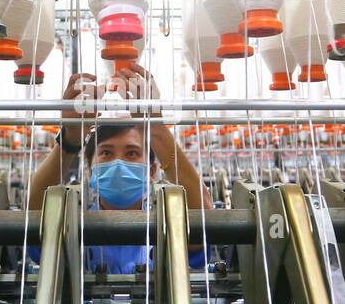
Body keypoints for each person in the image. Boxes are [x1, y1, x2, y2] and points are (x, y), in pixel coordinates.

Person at [26, 63, 211, 274]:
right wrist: (71, 138)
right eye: (106, 153)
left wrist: (157, 128)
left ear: (151, 171)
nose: (118, 162)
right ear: (89, 170)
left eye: (132, 153)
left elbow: (203, 216)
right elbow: (34, 213)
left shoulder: (170, 223)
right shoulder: (71, 225)